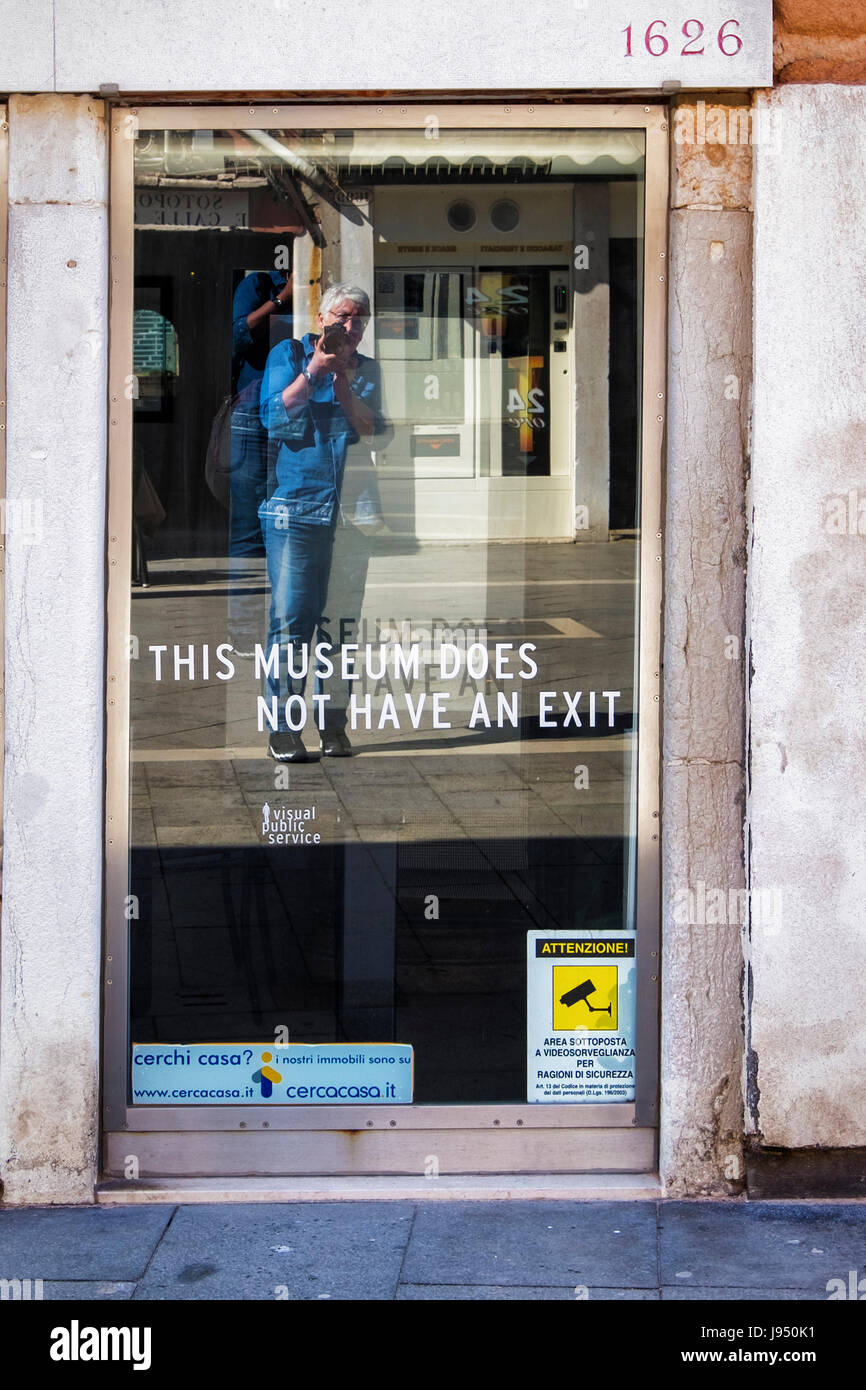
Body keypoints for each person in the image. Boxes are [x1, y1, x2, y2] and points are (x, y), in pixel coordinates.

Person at [258, 283, 388, 762]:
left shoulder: (366, 369)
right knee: (292, 622)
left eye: (360, 319)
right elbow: (273, 417)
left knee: (341, 626)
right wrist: (315, 370)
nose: (350, 327)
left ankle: (333, 727)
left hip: (353, 513)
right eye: (343, 316)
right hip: (295, 510)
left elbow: (375, 433)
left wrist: (342, 384)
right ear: (321, 315)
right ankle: (284, 729)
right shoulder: (289, 354)